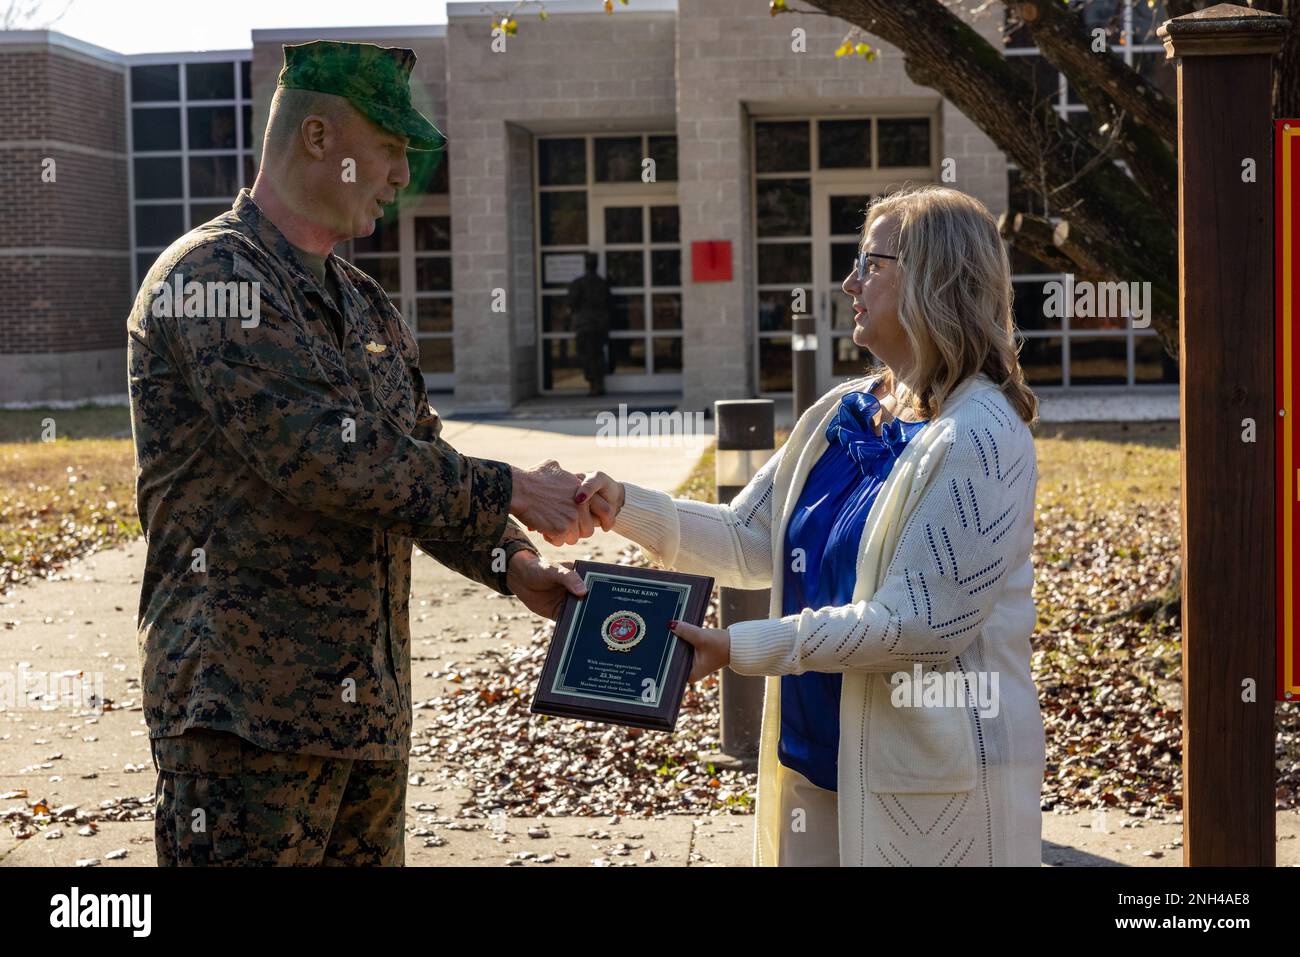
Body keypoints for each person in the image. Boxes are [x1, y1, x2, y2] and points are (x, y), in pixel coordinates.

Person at [127, 40, 591, 866]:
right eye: (389, 151)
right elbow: (323, 458)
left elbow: (411, 463)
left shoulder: (366, 304)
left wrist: (512, 562)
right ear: (317, 139)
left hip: (365, 718)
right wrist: (512, 486)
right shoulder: (210, 279)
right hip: (242, 724)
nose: (401, 177)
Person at [571, 185, 1046, 867]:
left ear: (935, 281)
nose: (849, 281)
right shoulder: (843, 411)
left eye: (871, 264)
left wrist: (741, 646)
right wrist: (624, 507)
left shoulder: (982, 437)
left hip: (933, 798)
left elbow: (914, 627)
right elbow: (749, 538)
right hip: (813, 769)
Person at [566, 253, 612, 396]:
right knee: (598, 354)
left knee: (587, 355)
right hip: (600, 325)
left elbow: (571, 302)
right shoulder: (602, 283)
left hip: (585, 325)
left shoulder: (579, 283)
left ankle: (594, 385)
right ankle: (599, 383)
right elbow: (609, 303)